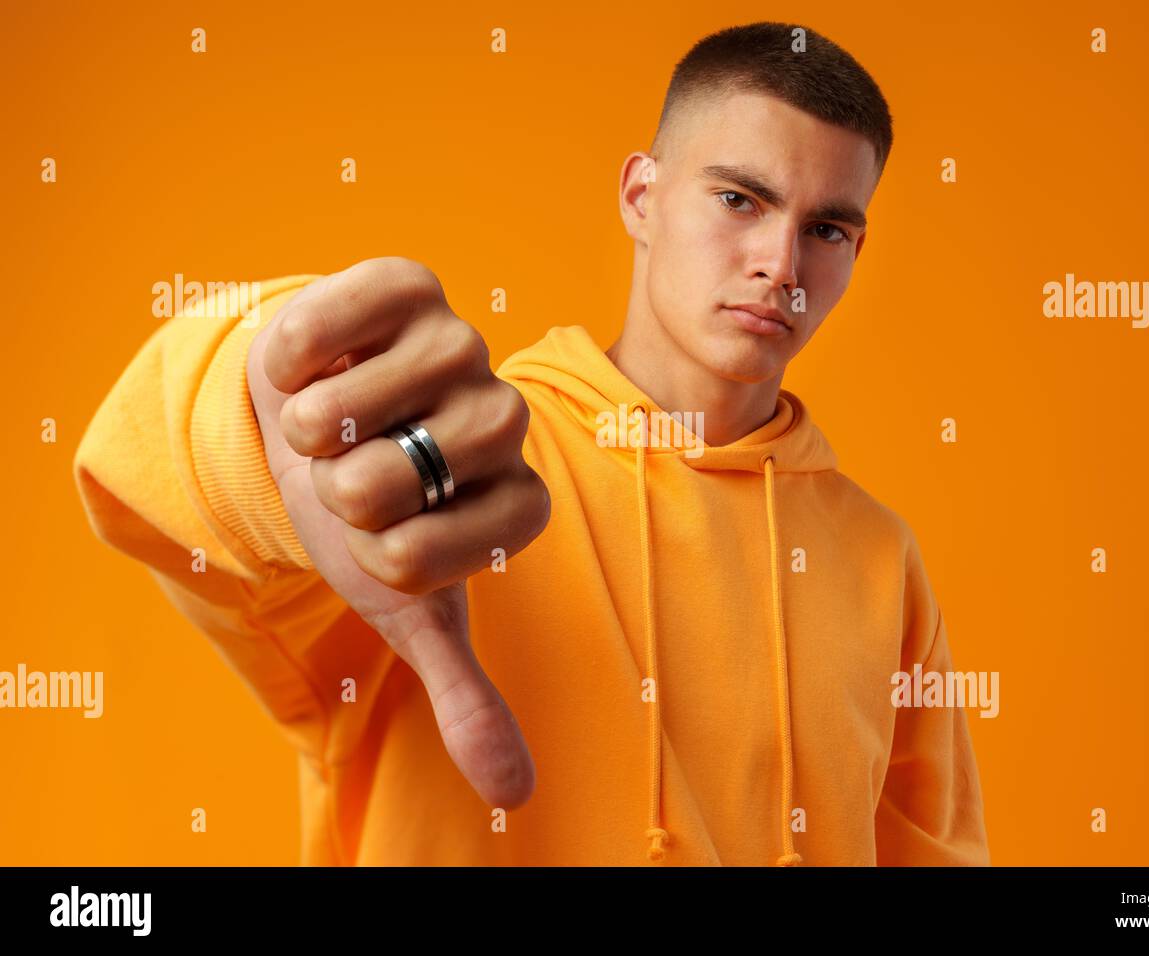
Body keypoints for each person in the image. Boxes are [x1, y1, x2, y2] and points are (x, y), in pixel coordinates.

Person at [73, 21, 990, 866]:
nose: (781, 267)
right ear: (643, 195)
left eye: (827, 229)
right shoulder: (450, 467)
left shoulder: (880, 557)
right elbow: (146, 463)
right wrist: (260, 390)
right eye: (740, 199)